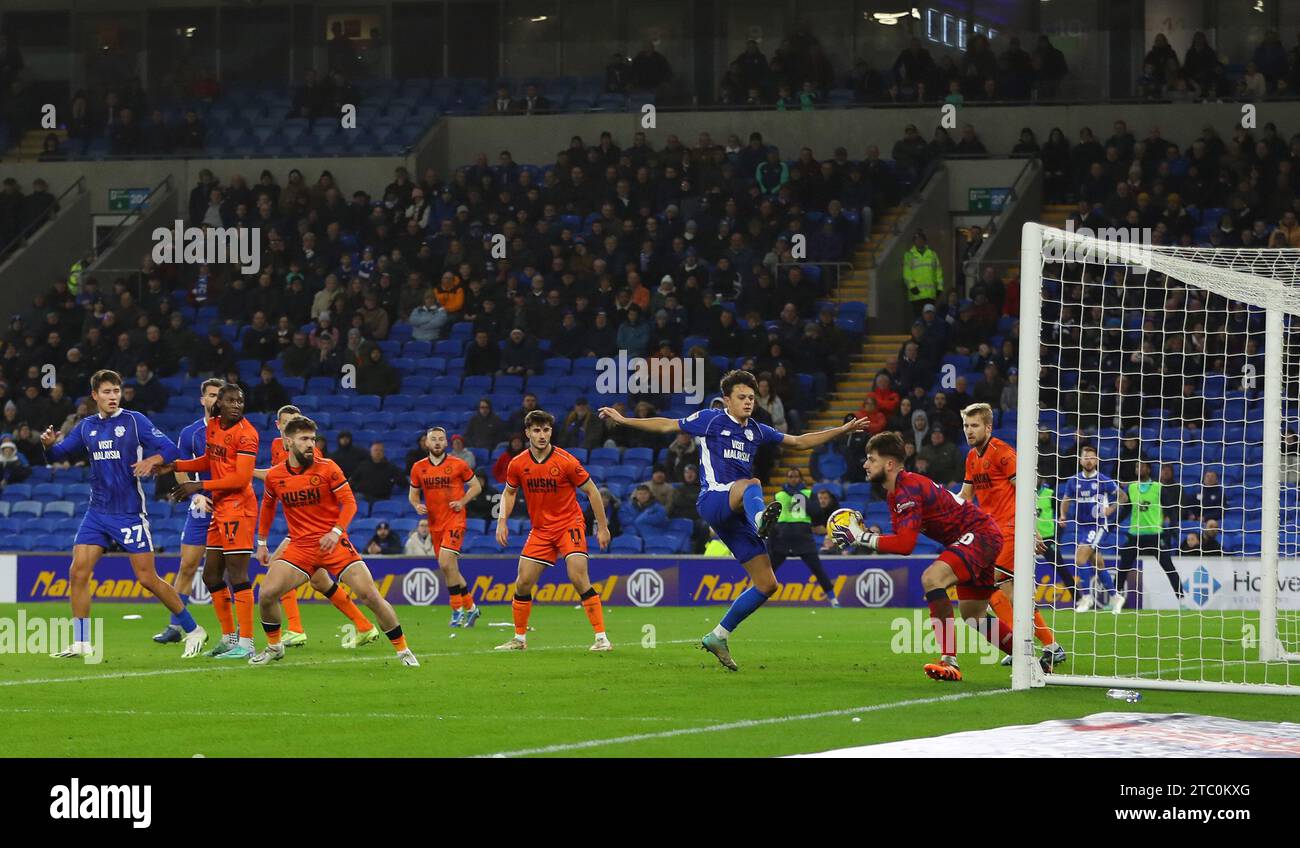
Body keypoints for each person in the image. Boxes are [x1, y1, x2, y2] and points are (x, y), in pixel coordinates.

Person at [600, 369, 871, 671]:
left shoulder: (756, 429)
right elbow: (666, 425)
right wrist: (624, 419)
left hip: (736, 511)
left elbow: (799, 441)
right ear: (726, 400)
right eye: (741, 397)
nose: (748, 402)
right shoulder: (710, 420)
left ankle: (718, 635)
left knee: (768, 584)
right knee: (752, 483)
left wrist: (842, 430)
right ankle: (760, 521)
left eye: (752, 398)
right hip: (714, 500)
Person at [40, 369, 208, 659]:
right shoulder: (85, 426)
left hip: (129, 513)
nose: (113, 397)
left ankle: (193, 629)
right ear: (95, 396)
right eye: (106, 392)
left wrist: (153, 460)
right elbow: (60, 455)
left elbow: (170, 449)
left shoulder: (134, 421)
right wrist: (48, 446)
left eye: (116, 391)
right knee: (77, 572)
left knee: (147, 578)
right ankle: (82, 642)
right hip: (97, 512)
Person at [831, 431, 1022, 681]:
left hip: (980, 534)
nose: (865, 465)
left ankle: (949, 661)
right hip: (980, 536)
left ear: (889, 464)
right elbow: (901, 538)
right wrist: (869, 534)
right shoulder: (896, 493)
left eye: (871, 459)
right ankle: (1027, 660)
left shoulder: (907, 490)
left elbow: (906, 544)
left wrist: (862, 538)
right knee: (974, 615)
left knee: (932, 578)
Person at [250, 416, 418, 667]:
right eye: (304, 439)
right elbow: (268, 507)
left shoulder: (328, 467)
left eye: (312, 439)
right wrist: (262, 542)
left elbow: (350, 503)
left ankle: (403, 650)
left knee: (370, 595)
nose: (310, 444)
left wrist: (336, 532)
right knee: (267, 594)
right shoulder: (276, 476)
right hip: (300, 547)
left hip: (334, 544)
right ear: (288, 442)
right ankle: (275, 647)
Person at [150, 383, 261, 659]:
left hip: (239, 508)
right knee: (211, 575)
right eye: (231, 401)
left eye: (241, 401)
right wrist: (175, 466)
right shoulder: (213, 427)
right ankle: (228, 638)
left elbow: (241, 478)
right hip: (219, 509)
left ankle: (246, 643)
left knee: (237, 576)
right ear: (218, 405)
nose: (237, 405)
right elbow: (208, 459)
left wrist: (198, 486)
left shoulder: (247, 434)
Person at [252, 404, 376, 647]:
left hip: (316, 528)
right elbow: (277, 479)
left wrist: (246, 471)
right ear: (280, 427)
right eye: (288, 422)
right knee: (319, 581)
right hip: (299, 526)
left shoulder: (311, 454)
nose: (294, 426)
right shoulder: (278, 446)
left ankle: (296, 628)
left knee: (277, 573)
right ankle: (363, 625)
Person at [493, 410, 613, 653]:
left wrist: (602, 526)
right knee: (523, 582)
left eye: (546, 430)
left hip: (569, 525)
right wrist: (501, 521)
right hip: (540, 530)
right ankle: (519, 639)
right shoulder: (517, 464)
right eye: (536, 430)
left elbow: (592, 491)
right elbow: (509, 492)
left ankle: (602, 638)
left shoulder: (565, 461)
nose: (542, 435)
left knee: (578, 576)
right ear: (527, 433)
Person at [957, 403, 1064, 669]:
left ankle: (1020, 645)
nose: (969, 431)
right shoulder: (971, 457)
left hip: (1011, 528)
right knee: (1007, 592)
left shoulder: (1004, 454)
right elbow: (965, 497)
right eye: (966, 426)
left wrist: (1033, 530)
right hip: (990, 533)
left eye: (974, 425)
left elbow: (1025, 491)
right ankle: (1047, 645)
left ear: (988, 427)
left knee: (987, 585)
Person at [151, 378, 219, 644]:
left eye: (218, 395)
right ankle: (176, 627)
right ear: (202, 400)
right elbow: (181, 468)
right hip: (201, 507)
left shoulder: (235, 431)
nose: (214, 400)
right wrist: (197, 496)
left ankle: (238, 632)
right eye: (210, 395)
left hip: (228, 507)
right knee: (188, 566)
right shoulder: (191, 433)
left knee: (228, 570)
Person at [409, 426, 483, 627]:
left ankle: (456, 609)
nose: (437, 442)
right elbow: (413, 494)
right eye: (433, 439)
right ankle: (471, 608)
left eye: (441, 439)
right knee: (449, 567)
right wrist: (417, 505)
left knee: (445, 562)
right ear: (426, 442)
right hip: (435, 524)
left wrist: (462, 502)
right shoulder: (418, 468)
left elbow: (476, 486)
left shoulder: (458, 464)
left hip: (455, 520)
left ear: (446, 442)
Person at [1058, 444, 1120, 613]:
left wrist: (1111, 509)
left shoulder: (1103, 480)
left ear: (1097, 461)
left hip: (1099, 525)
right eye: (1086, 457)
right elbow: (1066, 499)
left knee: (1079, 559)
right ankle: (1116, 597)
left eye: (1092, 458)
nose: (1089, 460)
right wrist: (1063, 515)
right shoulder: (1074, 481)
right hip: (1083, 527)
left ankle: (1086, 597)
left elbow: (1123, 496)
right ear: (1080, 460)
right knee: (1097, 563)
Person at [1115, 460, 1184, 611]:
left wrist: (1173, 526)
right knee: (1122, 568)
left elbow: (1170, 509)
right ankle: (1115, 601)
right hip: (1135, 535)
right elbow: (1126, 509)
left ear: (1149, 469)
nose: (1139, 469)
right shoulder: (1132, 488)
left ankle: (1182, 600)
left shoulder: (1158, 488)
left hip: (1154, 535)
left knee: (1169, 568)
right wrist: (1114, 522)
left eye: (1142, 466)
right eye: (1137, 466)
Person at [769, 469, 838, 605]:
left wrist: (799, 495)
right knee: (769, 570)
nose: (793, 479)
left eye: (796, 477)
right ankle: (754, 598)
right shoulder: (779, 495)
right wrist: (771, 540)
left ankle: (834, 600)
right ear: (786, 479)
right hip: (782, 537)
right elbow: (771, 518)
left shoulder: (808, 493)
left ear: (801, 479)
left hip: (803, 537)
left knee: (817, 569)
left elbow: (816, 513)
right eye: (791, 477)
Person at [902, 230, 943, 319]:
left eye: (921, 240)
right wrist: (912, 287)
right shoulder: (909, 255)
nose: (919, 242)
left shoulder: (932, 254)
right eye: (917, 240)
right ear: (914, 242)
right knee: (918, 319)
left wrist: (939, 288)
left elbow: (938, 272)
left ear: (925, 241)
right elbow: (907, 273)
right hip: (916, 295)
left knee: (930, 318)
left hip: (930, 294)